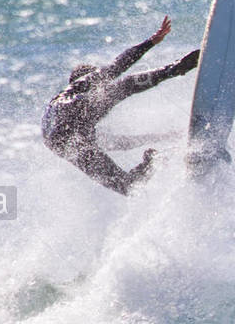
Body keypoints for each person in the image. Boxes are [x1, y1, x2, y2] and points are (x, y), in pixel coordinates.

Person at [41, 16, 200, 195]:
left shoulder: (67, 120)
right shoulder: (77, 86)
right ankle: (173, 69)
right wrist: (151, 41)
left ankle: (152, 161)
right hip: (73, 112)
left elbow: (121, 143)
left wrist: (161, 137)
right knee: (123, 85)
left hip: (61, 144)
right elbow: (116, 66)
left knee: (127, 187)